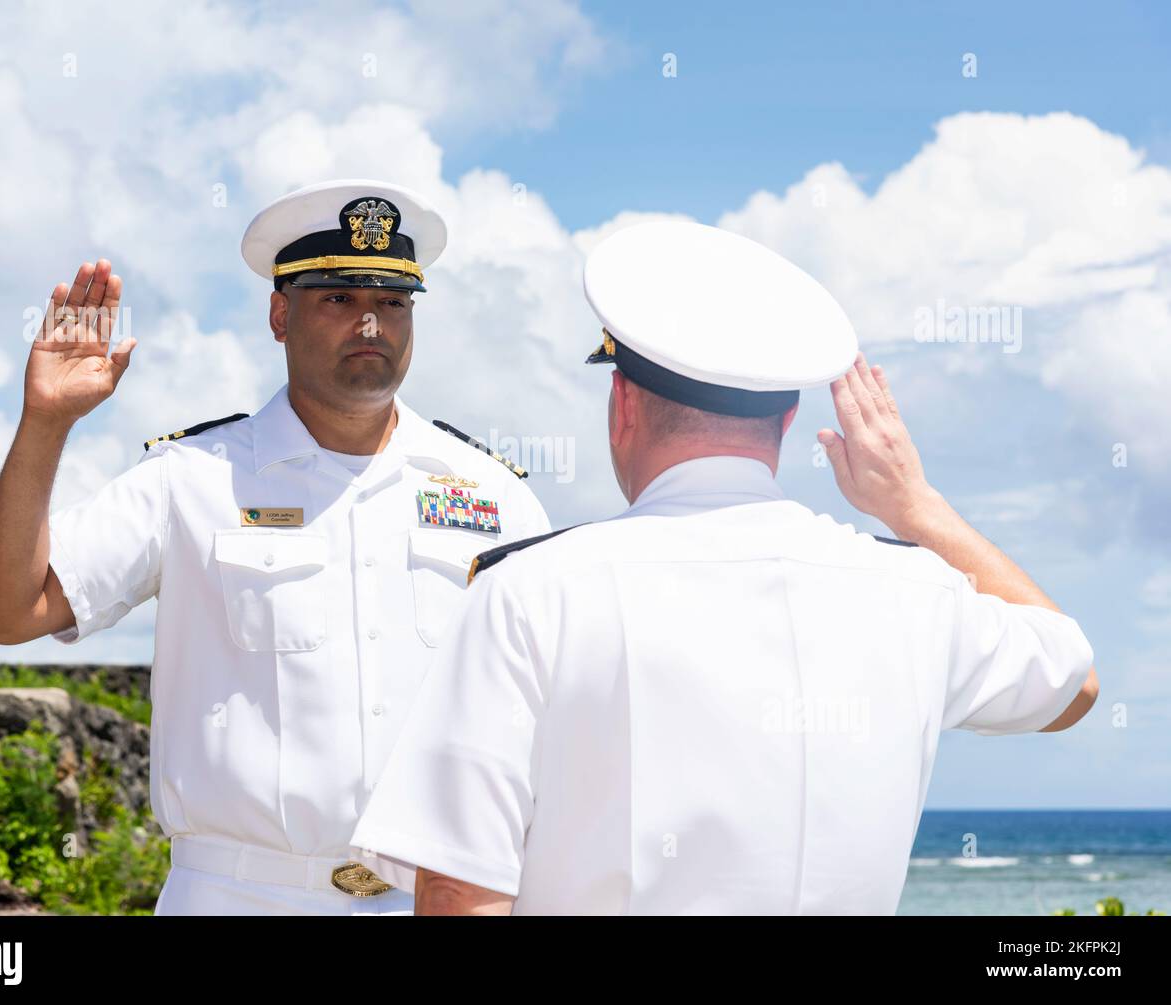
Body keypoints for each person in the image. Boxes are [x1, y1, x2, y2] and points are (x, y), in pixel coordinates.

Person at [350, 220, 1098, 915]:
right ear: (785, 420)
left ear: (623, 403)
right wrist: (915, 506)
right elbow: (1074, 681)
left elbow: (460, 887)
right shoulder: (915, 593)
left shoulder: (532, 593)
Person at [0, 179, 550, 915]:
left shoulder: (495, 496)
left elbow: (555, 716)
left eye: (392, 302)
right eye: (339, 298)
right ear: (280, 314)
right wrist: (45, 423)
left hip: (438, 898)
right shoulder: (191, 480)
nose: (371, 322)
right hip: (241, 895)